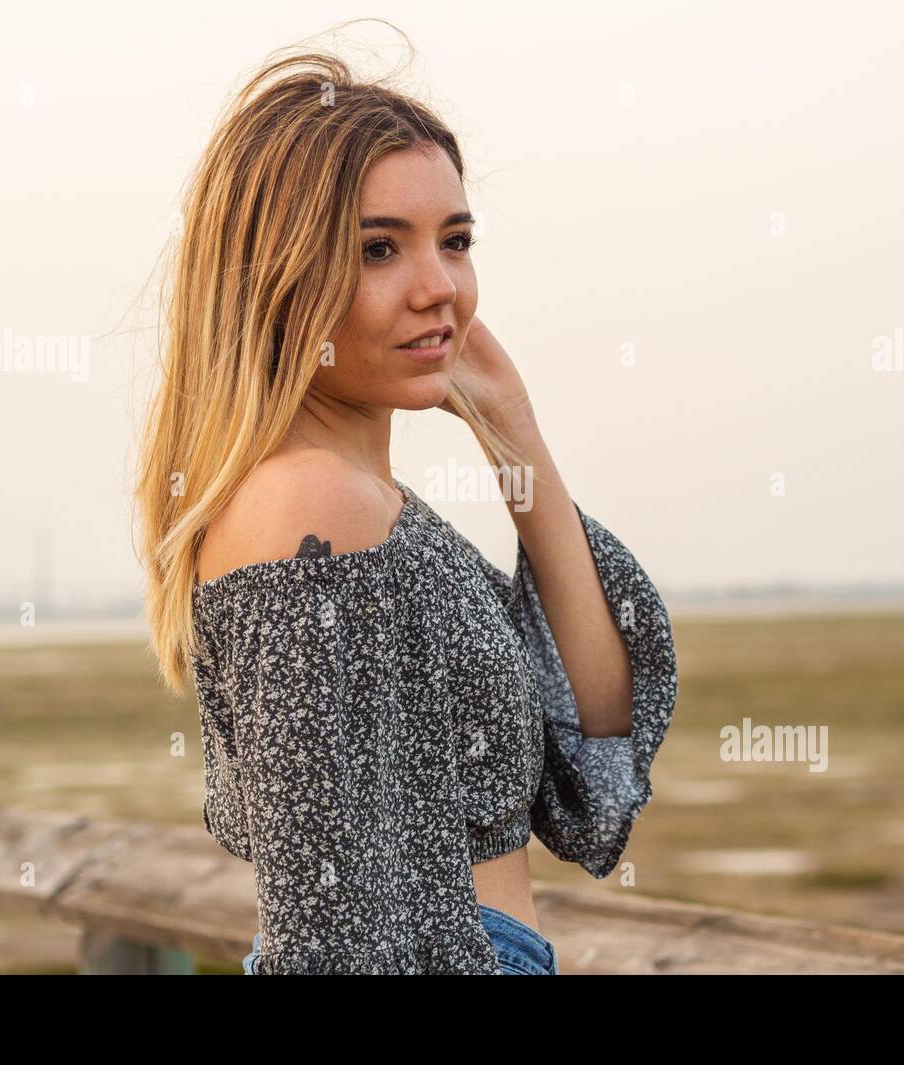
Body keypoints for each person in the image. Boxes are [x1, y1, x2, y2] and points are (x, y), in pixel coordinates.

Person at [134, 32, 679, 975]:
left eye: (456, 242)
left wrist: (514, 433)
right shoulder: (313, 509)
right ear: (278, 277)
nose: (440, 288)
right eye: (380, 249)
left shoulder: (371, 506)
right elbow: (336, 932)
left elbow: (596, 750)